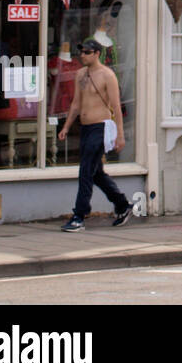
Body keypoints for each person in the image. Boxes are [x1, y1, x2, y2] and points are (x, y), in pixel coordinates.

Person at [58, 38, 130, 232]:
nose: (82, 55)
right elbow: (76, 103)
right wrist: (66, 126)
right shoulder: (81, 74)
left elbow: (116, 106)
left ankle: (79, 215)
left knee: (86, 170)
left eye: (87, 52)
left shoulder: (107, 75)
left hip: (101, 127)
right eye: (81, 52)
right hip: (86, 127)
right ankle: (122, 204)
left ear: (97, 53)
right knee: (96, 173)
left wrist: (120, 135)